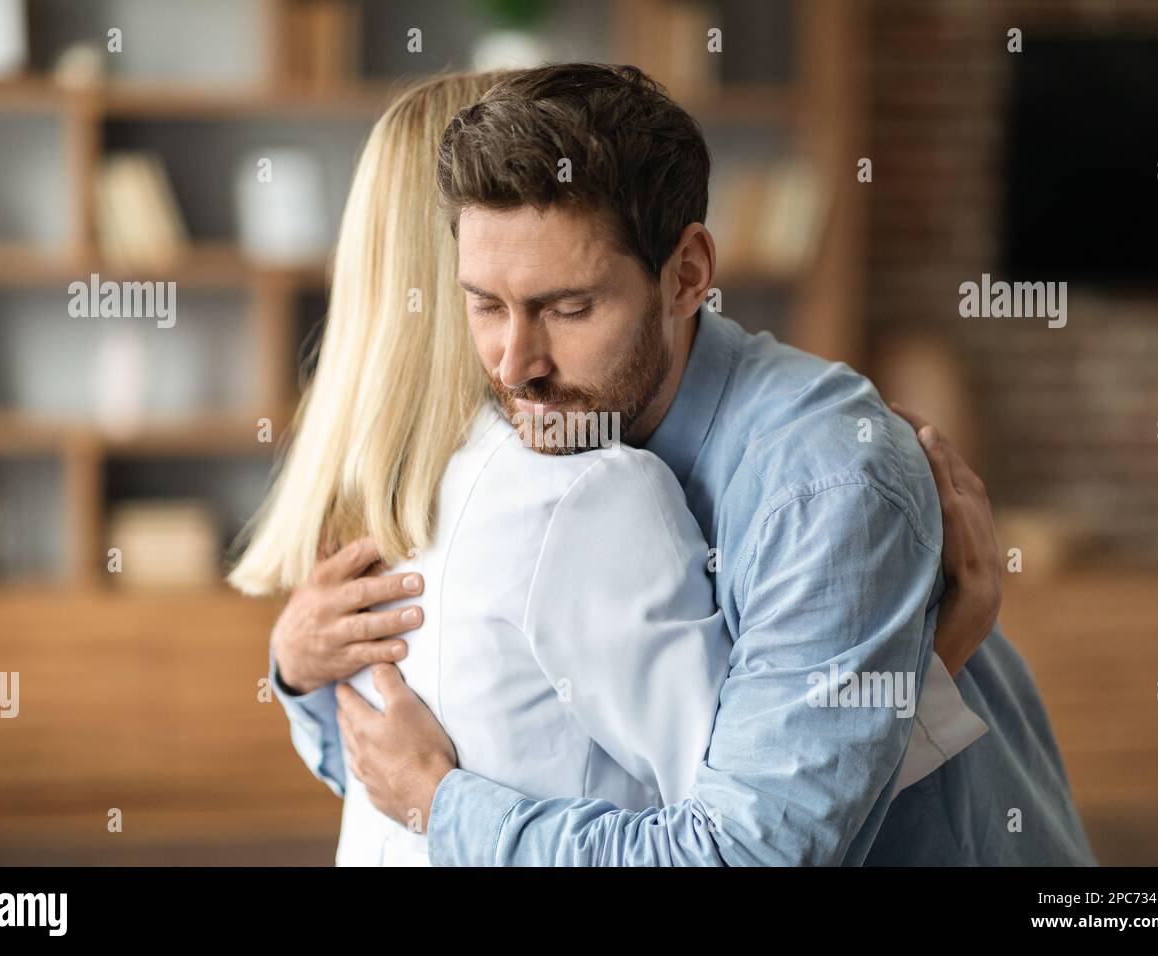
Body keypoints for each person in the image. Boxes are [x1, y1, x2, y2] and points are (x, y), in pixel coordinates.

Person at [325, 64, 1097, 866]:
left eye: (569, 308)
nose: (515, 363)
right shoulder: (541, 436)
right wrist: (300, 668)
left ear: (688, 275)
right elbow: (407, 747)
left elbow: (738, 856)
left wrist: (443, 806)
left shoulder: (825, 484)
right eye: (485, 304)